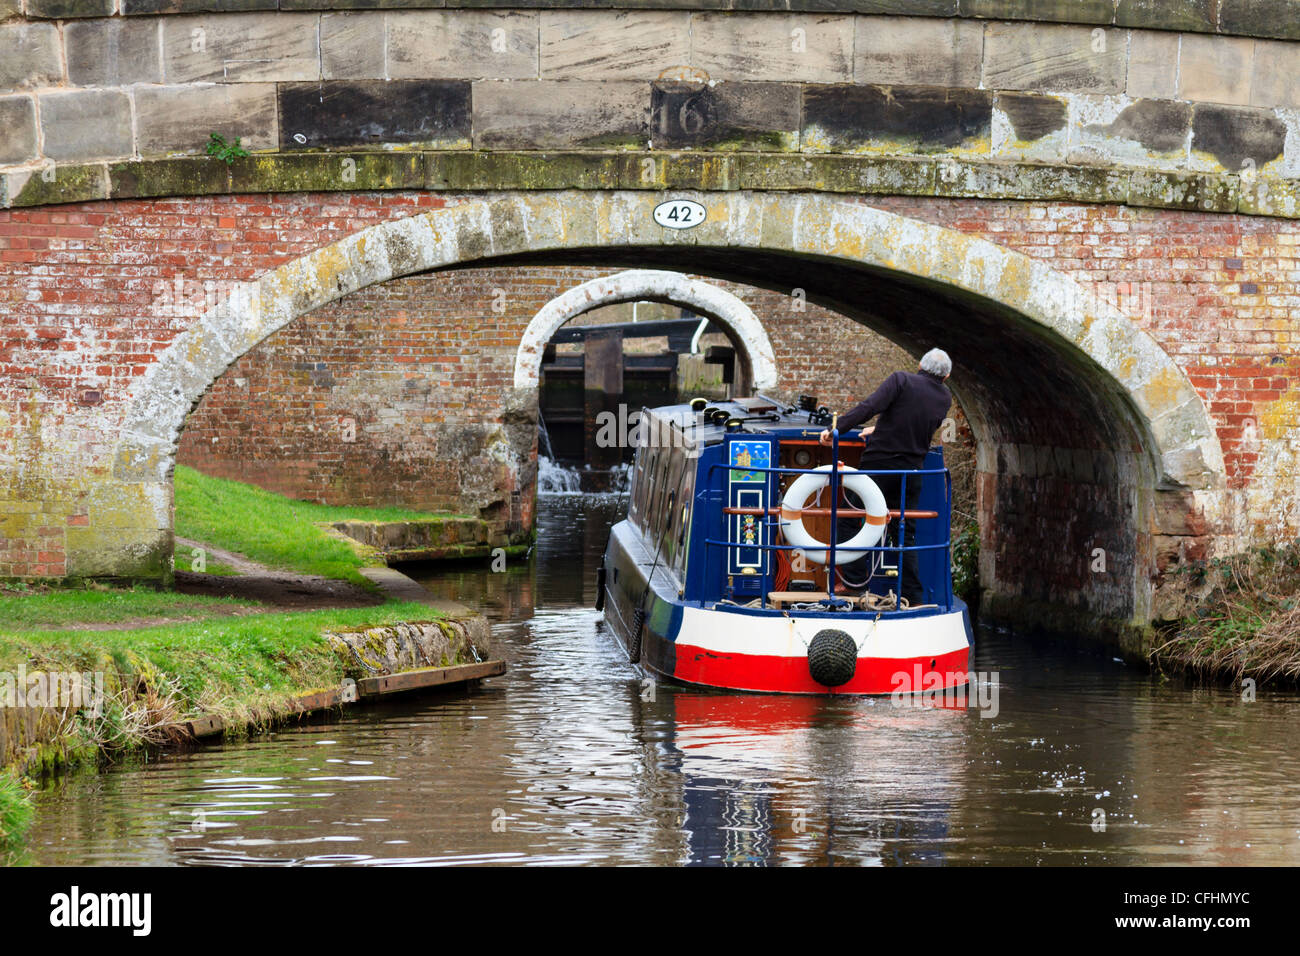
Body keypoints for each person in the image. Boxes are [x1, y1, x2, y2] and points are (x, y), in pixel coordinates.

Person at [817, 348, 952, 604]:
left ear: (920, 366)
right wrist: (878, 428)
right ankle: (913, 595)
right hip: (911, 473)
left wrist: (835, 429)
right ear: (945, 377)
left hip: (879, 467)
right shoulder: (945, 397)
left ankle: (855, 584)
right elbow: (915, 419)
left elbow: (869, 407)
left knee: (850, 519)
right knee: (904, 532)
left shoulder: (901, 380)